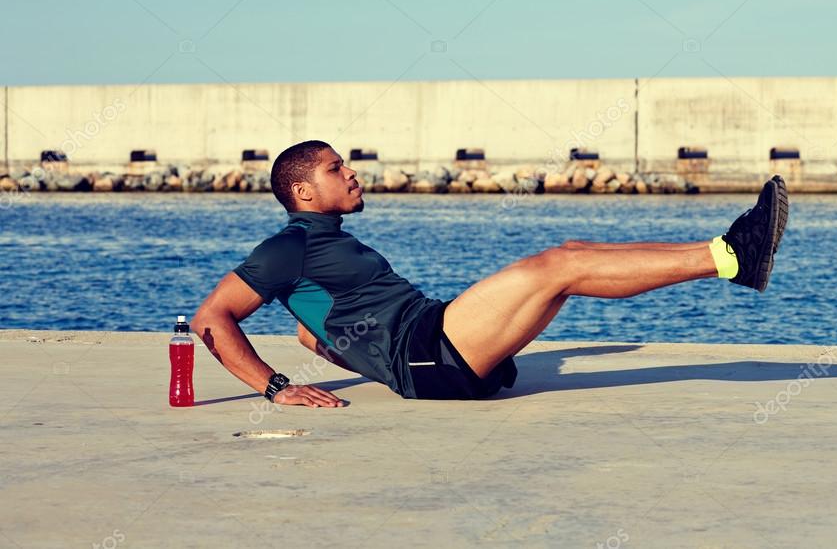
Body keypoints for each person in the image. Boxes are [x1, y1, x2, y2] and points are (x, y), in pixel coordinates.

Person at [190, 140, 788, 408]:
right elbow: (211, 318)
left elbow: (308, 332)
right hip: (427, 350)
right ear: (303, 191)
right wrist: (275, 388)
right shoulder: (286, 246)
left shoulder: (324, 247)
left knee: (571, 255)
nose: (350, 173)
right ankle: (730, 255)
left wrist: (345, 347)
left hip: (431, 343)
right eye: (334, 168)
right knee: (560, 265)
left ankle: (731, 258)